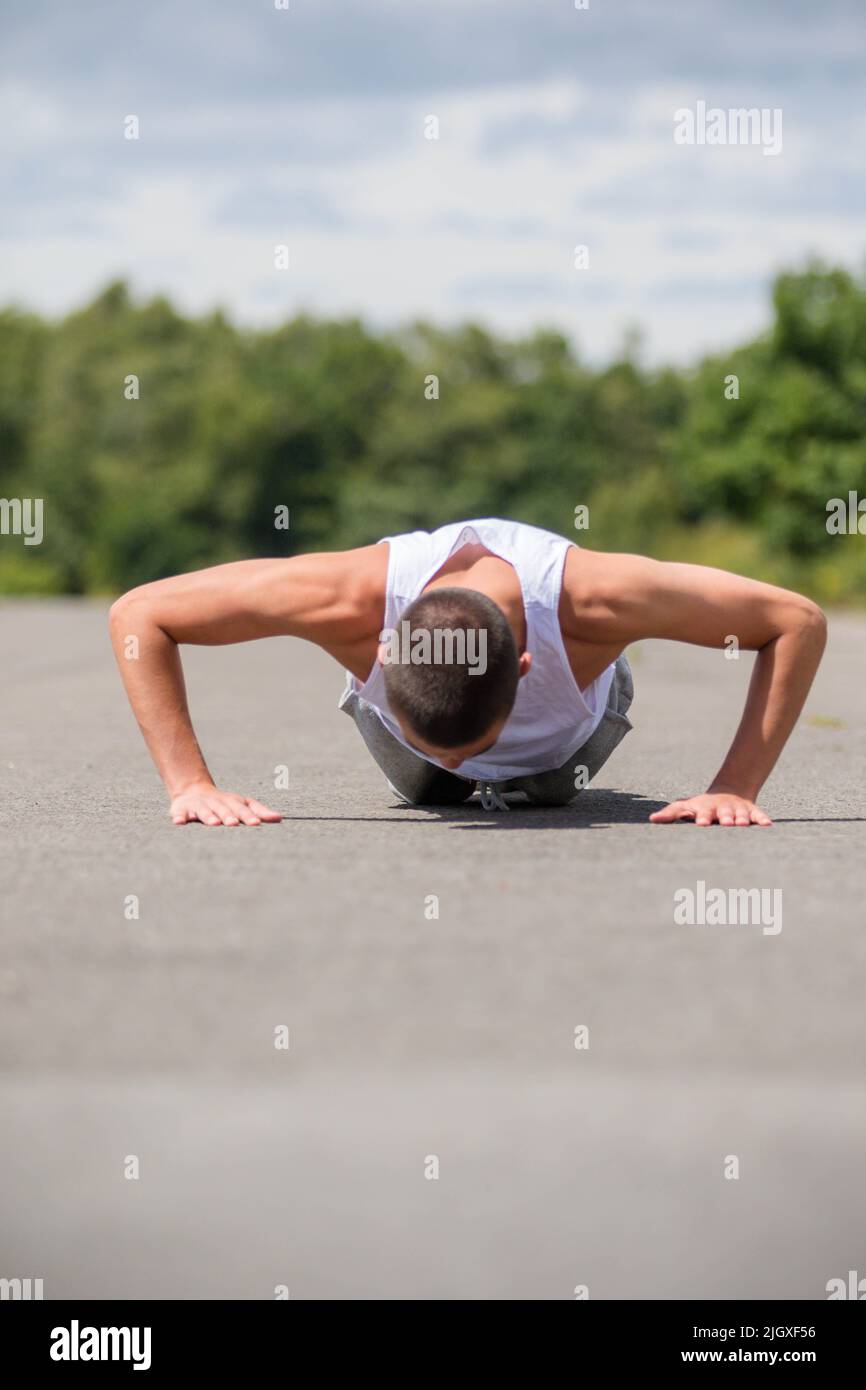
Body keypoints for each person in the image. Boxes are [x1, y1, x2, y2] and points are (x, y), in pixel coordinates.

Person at [108, 517, 826, 827]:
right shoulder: (347, 599)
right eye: (457, 747)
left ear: (524, 664)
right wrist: (190, 785)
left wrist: (736, 786)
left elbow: (794, 620)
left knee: (546, 792)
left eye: (477, 747)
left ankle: (530, 729)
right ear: (384, 653)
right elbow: (140, 615)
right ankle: (421, 749)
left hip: (565, 744)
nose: (473, 767)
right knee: (432, 786)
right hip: (404, 744)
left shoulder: (595, 599)